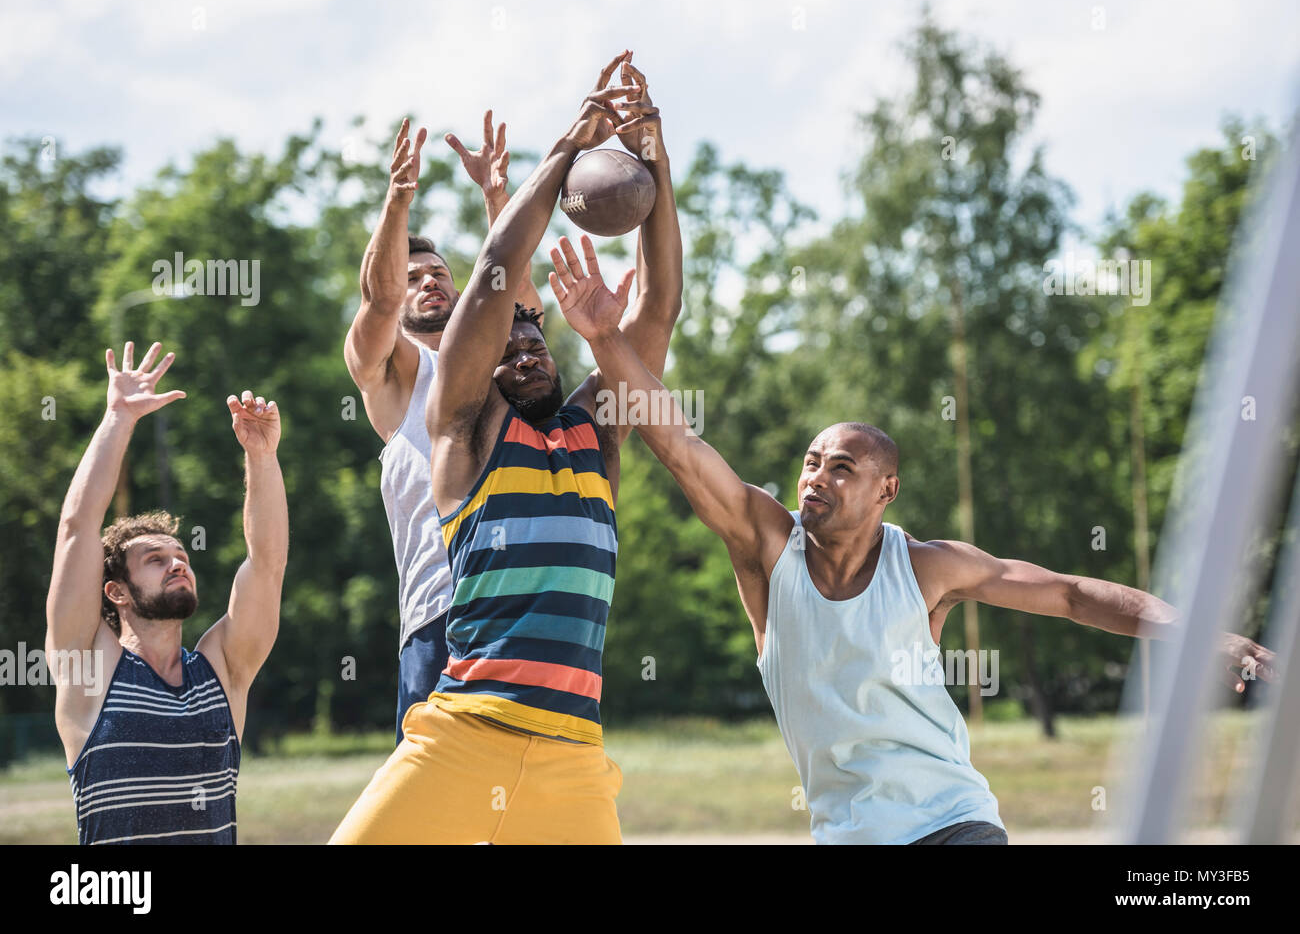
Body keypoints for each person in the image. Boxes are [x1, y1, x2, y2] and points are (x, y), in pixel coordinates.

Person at [545, 240, 1280, 845]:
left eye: (841, 467)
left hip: (954, 823)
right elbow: (676, 445)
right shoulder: (766, 549)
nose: (816, 478)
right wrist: (607, 338)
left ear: (885, 490)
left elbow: (1072, 592)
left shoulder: (927, 567)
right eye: (810, 462)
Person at [331, 50, 682, 844]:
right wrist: (567, 150)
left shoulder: (596, 432)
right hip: (463, 733)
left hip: (575, 754)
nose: (525, 342)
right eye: (506, 335)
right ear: (472, 368)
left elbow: (659, 306)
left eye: (537, 331)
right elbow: (494, 268)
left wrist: (654, 158)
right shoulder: (463, 433)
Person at [346, 109, 545, 742]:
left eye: (439, 274)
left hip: (525, 605)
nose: (430, 281)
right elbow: (377, 303)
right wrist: (397, 203)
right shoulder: (393, 373)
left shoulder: (498, 365)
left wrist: (496, 197)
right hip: (443, 613)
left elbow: (522, 300)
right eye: (414, 278)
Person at [46, 342, 287, 844]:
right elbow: (77, 527)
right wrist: (118, 418)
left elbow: (266, 565)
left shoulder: (223, 670)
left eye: (181, 556)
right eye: (155, 560)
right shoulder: (88, 667)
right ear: (116, 591)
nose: (178, 563)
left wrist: (262, 458)